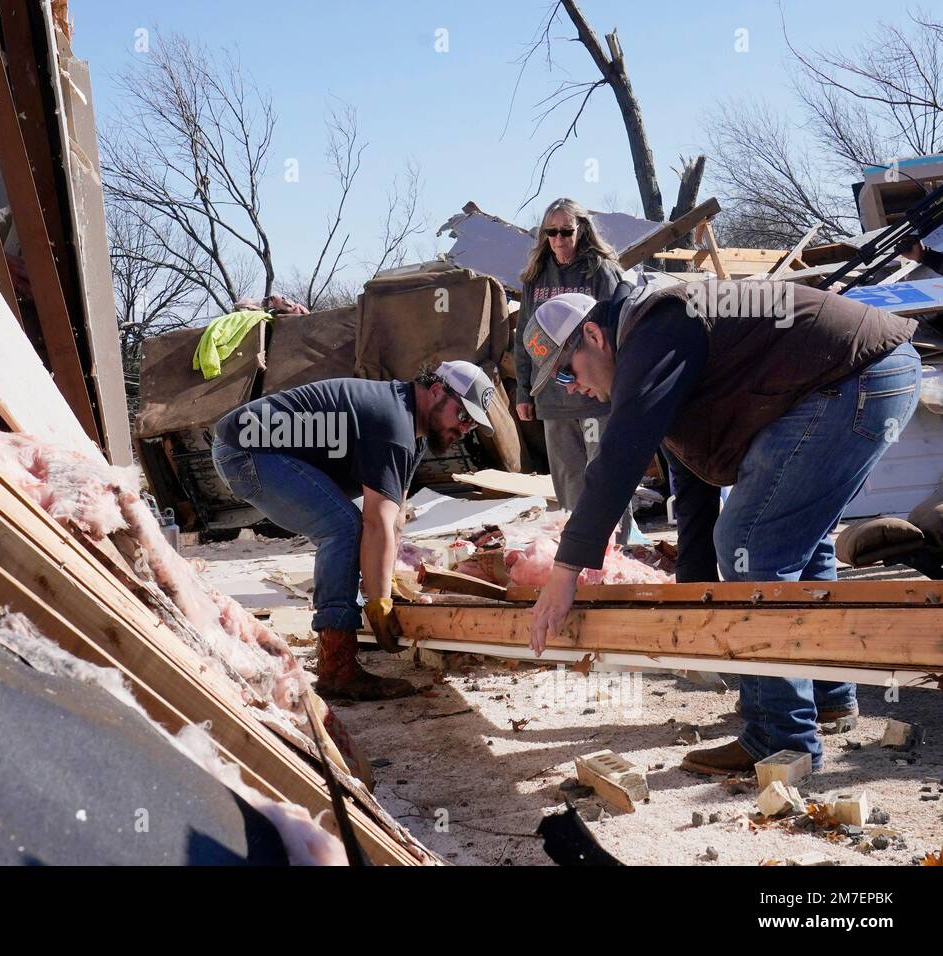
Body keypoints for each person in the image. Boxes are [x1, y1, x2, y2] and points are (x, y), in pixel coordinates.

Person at [521, 279, 921, 774]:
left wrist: (565, 571)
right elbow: (693, 494)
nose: (573, 388)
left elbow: (619, 457)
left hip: (856, 380)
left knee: (752, 546)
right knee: (797, 543)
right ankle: (827, 694)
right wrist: (694, 604)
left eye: (565, 373)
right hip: (872, 376)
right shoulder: (664, 355)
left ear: (595, 338)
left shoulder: (652, 333)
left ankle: (780, 740)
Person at [210, 361, 496, 701]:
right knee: (343, 527)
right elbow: (375, 522)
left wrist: (387, 584)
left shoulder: (410, 431)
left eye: (472, 426)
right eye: (464, 416)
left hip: (255, 446)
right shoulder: (393, 424)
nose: (465, 430)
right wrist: (379, 603)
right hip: (246, 451)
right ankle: (337, 667)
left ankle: (343, 636)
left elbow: (394, 516)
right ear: (436, 391)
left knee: (351, 527)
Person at [513, 198, 633, 541]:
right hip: (555, 397)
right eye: (552, 232)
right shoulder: (535, 278)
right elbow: (524, 337)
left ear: (581, 230)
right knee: (568, 484)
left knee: (605, 476)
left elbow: (616, 332)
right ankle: (577, 551)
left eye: (566, 231)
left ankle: (617, 550)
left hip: (597, 396)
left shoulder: (601, 271)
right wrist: (524, 391)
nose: (560, 239)